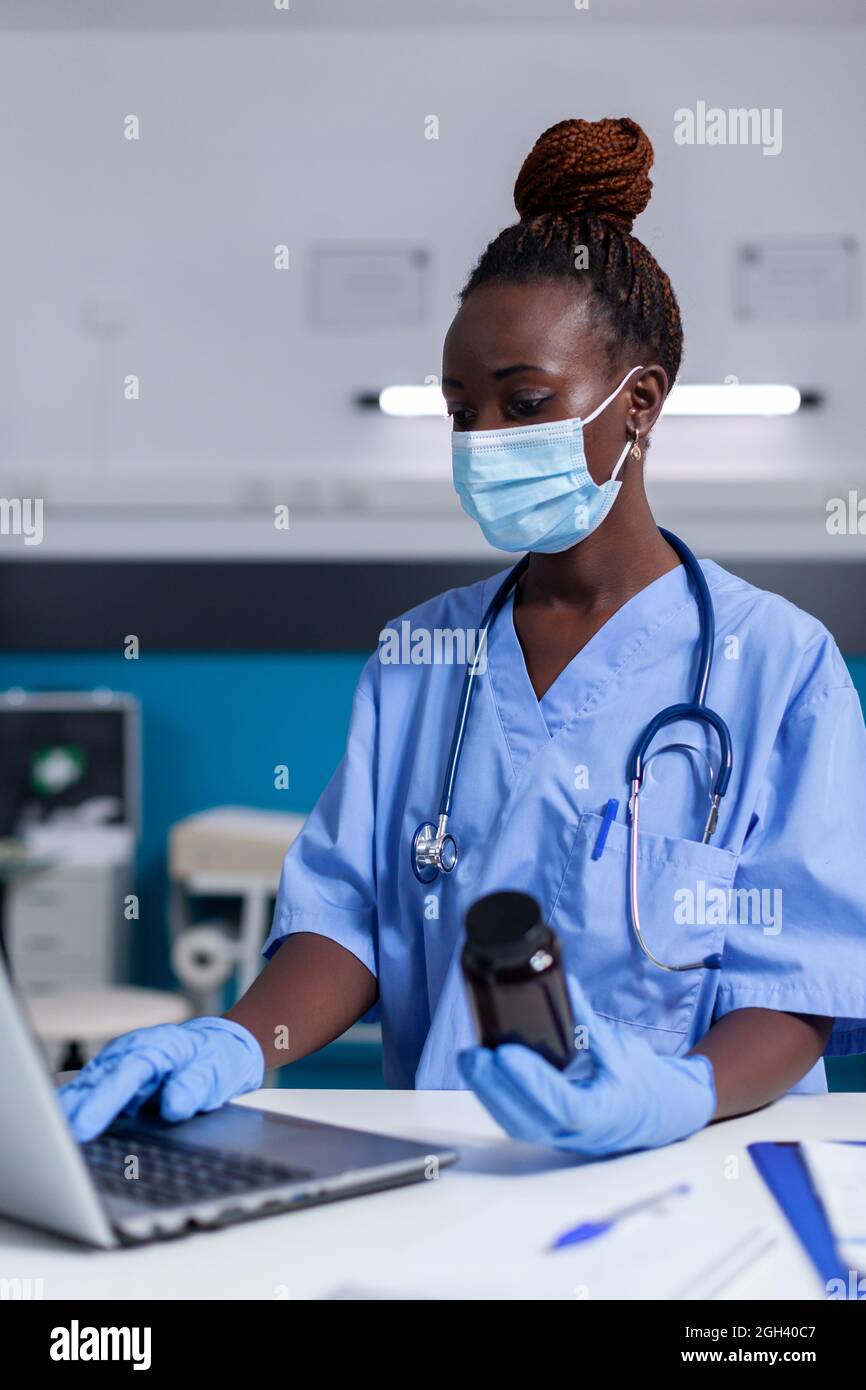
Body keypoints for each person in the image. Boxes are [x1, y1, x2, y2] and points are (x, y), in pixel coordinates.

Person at [61, 117, 866, 1156]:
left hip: (694, 1171)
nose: (483, 442)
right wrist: (233, 1036)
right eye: (460, 412)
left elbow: (797, 980)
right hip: (453, 1169)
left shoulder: (779, 668)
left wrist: (673, 1094)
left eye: (523, 402)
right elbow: (345, 921)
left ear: (640, 405)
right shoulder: (419, 656)